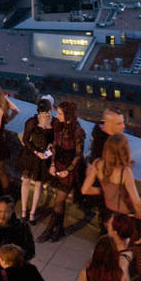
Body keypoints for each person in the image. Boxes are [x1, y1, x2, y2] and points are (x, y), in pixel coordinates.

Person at [89, 136, 141, 275]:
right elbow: (137, 201)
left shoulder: (98, 164)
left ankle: (110, 278)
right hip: (127, 218)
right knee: (140, 248)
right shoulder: (125, 172)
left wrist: (103, 190)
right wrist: (140, 216)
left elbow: (86, 189)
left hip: (109, 216)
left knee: (113, 250)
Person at [46, 101, 85, 241]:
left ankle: (51, 228)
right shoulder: (59, 126)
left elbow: (78, 155)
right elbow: (55, 147)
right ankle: (58, 229)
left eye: (60, 113)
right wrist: (52, 164)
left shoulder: (77, 131)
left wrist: (67, 171)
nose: (57, 115)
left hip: (69, 170)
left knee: (59, 201)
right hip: (58, 166)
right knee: (59, 201)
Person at [17, 97, 58, 222]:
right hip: (31, 154)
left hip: (45, 156)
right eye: (42, 113)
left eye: (47, 113)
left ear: (51, 110)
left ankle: (32, 213)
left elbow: (56, 140)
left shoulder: (55, 123)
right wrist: (35, 152)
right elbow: (25, 140)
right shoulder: (32, 122)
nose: (45, 115)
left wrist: (51, 147)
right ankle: (24, 211)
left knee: (39, 184)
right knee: (25, 181)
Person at [0, 197, 35, 268]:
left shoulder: (20, 226)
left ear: (12, 211)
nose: (2, 215)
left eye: (7, 212)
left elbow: (30, 251)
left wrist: (13, 257)